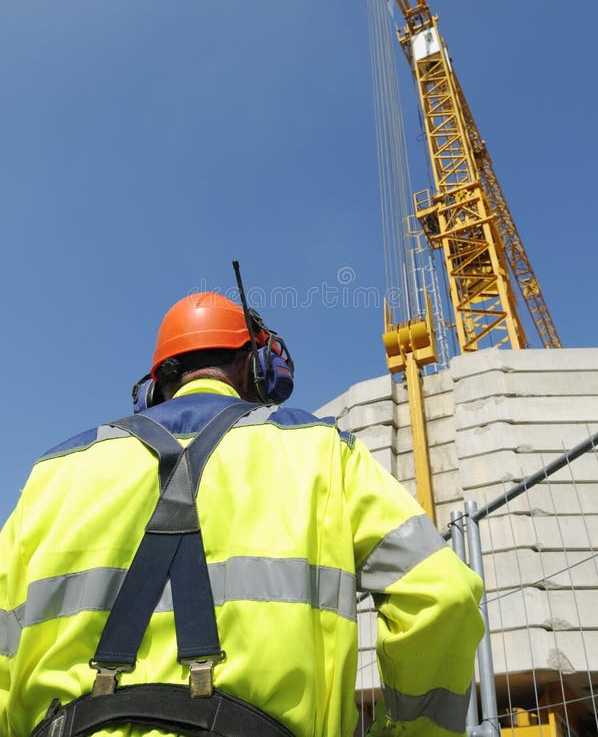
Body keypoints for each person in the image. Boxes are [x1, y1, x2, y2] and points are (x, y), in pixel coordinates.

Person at [0, 291, 484, 736]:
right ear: (257, 368)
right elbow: (444, 596)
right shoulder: (322, 452)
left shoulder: (53, 474)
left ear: (158, 382)